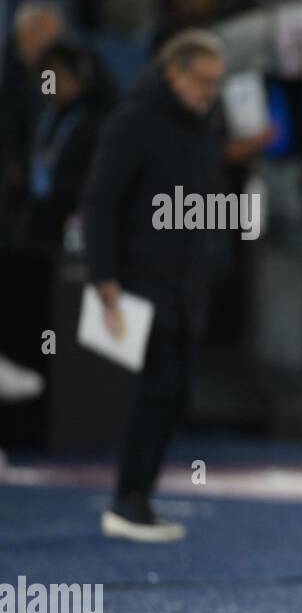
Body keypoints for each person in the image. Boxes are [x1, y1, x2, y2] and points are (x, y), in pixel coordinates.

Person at [82, 29, 227, 543]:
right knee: (153, 393)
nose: (211, 91)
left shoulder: (200, 128)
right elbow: (99, 204)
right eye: (203, 81)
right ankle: (127, 500)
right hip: (139, 285)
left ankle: (137, 497)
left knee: (172, 395)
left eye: (217, 83)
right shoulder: (133, 123)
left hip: (183, 286)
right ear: (174, 73)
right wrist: (104, 279)